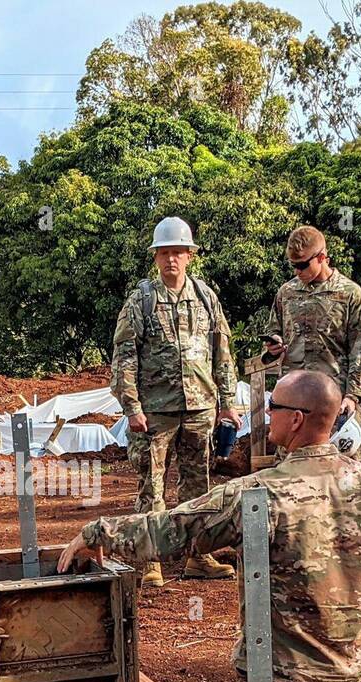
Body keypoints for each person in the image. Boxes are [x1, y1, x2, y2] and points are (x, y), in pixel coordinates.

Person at [58, 370, 361, 682]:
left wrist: (98, 532)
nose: (267, 413)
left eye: (273, 406)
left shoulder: (258, 492)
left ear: (296, 419)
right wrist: (356, 648)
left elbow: (173, 531)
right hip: (354, 680)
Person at [111, 216, 242, 589]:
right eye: (165, 253)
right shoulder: (142, 300)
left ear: (190, 256)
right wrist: (132, 408)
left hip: (200, 406)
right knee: (151, 485)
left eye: (178, 252)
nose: (172, 259)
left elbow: (223, 353)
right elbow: (124, 356)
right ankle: (150, 559)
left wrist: (228, 402)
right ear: (156, 257)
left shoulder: (205, 297)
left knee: (196, 484)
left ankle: (197, 555)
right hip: (156, 411)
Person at [260, 225, 361, 456]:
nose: (297, 271)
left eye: (302, 265)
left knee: (343, 471)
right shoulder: (286, 293)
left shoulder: (349, 293)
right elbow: (274, 331)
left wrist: (353, 396)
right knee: (289, 470)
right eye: (293, 265)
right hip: (295, 402)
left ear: (322, 257)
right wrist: (273, 346)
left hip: (333, 399)